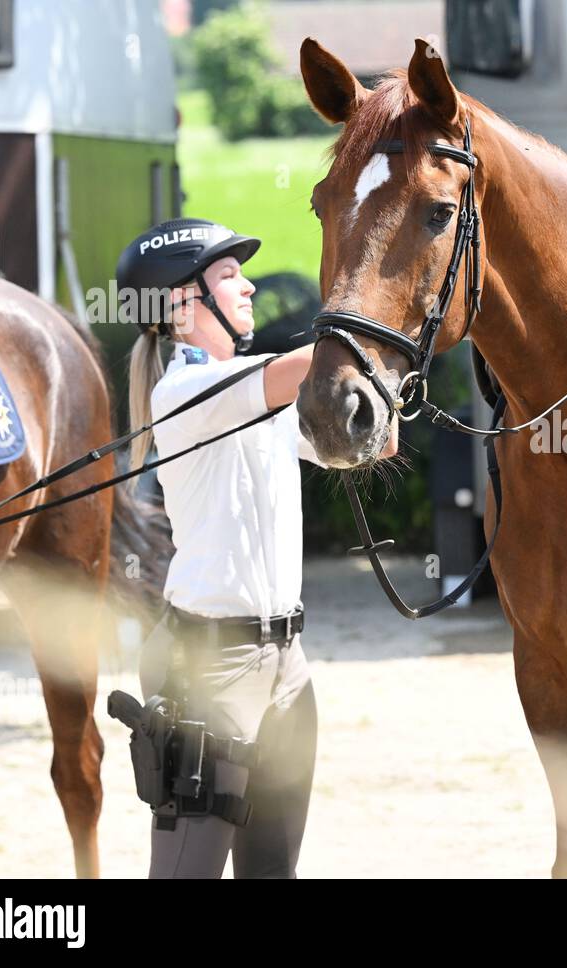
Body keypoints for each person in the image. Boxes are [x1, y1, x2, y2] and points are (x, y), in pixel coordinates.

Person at [116, 217, 395, 877]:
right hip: (213, 668)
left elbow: (364, 446)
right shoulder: (185, 392)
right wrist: (378, 313)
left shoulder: (252, 390)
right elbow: (305, 367)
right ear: (183, 304)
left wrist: (386, 388)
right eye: (228, 275)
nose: (248, 288)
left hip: (286, 666)